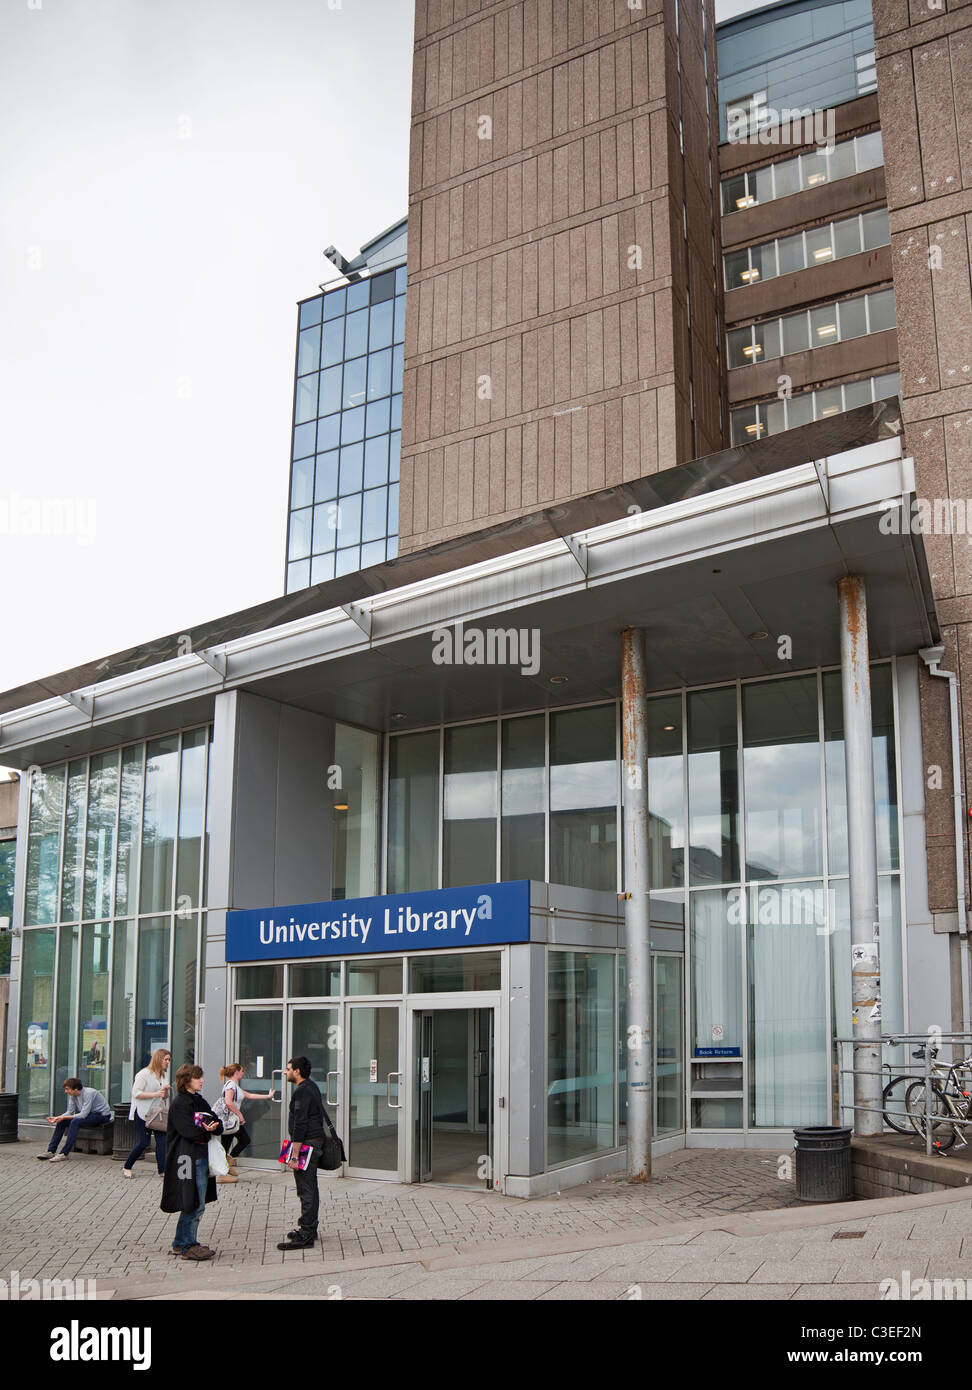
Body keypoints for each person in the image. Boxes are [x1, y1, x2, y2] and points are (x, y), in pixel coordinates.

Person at [160, 1063, 223, 1261]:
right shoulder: (180, 1104)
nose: (202, 1080)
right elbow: (188, 1131)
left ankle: (182, 1242)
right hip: (187, 1158)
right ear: (187, 1080)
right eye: (197, 1077)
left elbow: (217, 1122)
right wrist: (208, 1129)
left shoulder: (198, 1100)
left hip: (200, 1156)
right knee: (192, 1202)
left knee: (196, 1202)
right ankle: (186, 1244)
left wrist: (213, 1127)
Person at [277, 1055, 326, 1251]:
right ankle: (309, 1227)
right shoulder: (311, 1086)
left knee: (306, 1188)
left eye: (288, 1069)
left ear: (297, 1071)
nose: (286, 1072)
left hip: (307, 1143)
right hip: (313, 1141)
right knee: (309, 1186)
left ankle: (306, 1234)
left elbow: (300, 1123)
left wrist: (295, 1154)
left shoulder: (302, 1092)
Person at [216, 1063, 274, 1182]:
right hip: (230, 1121)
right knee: (228, 1144)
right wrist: (240, 1114)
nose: (243, 1073)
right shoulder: (231, 1085)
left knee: (240, 1141)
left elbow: (250, 1095)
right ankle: (222, 1173)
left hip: (232, 1121)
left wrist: (268, 1096)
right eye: (242, 1071)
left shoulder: (234, 1085)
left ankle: (227, 1165)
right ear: (236, 1072)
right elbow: (228, 1102)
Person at [122, 1048, 171, 1179]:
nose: (167, 1062)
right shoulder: (144, 1074)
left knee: (162, 1141)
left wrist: (165, 1091)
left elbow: (164, 1097)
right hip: (142, 1112)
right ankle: (127, 1166)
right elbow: (135, 1093)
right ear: (158, 1059)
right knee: (144, 1142)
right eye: (166, 1059)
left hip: (157, 1114)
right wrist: (156, 1094)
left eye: (169, 1060)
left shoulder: (163, 1075)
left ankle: (162, 1170)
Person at [39, 1079, 112, 1161]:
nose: (65, 1092)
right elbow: (69, 1112)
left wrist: (63, 1117)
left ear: (76, 1089)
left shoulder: (89, 1093)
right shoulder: (73, 1096)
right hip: (89, 1115)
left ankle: (64, 1154)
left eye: (67, 1089)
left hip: (102, 1116)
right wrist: (57, 1118)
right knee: (62, 1121)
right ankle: (51, 1151)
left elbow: (83, 1115)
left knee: (75, 1122)